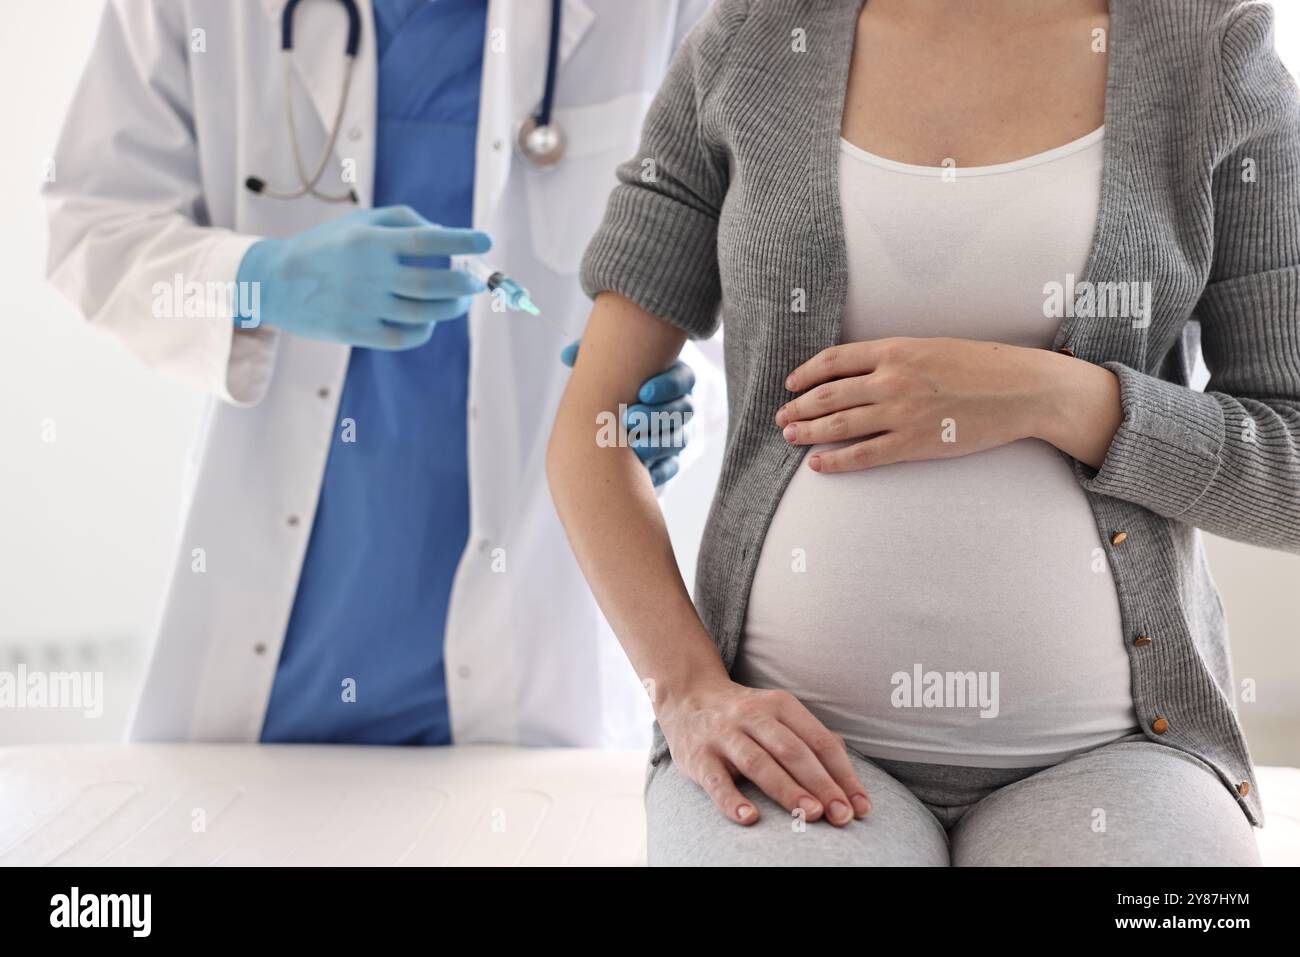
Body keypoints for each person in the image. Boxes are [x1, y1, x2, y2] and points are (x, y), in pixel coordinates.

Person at [548, 0, 1300, 864]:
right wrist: (687, 692)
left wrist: (1050, 394)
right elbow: (591, 428)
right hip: (794, 757)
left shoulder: (1213, 48)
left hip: (1119, 754)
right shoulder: (751, 39)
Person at [44, 0, 720, 749]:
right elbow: (90, 228)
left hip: (534, 680)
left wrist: (672, 402)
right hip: (266, 685)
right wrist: (258, 280)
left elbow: (750, 293)